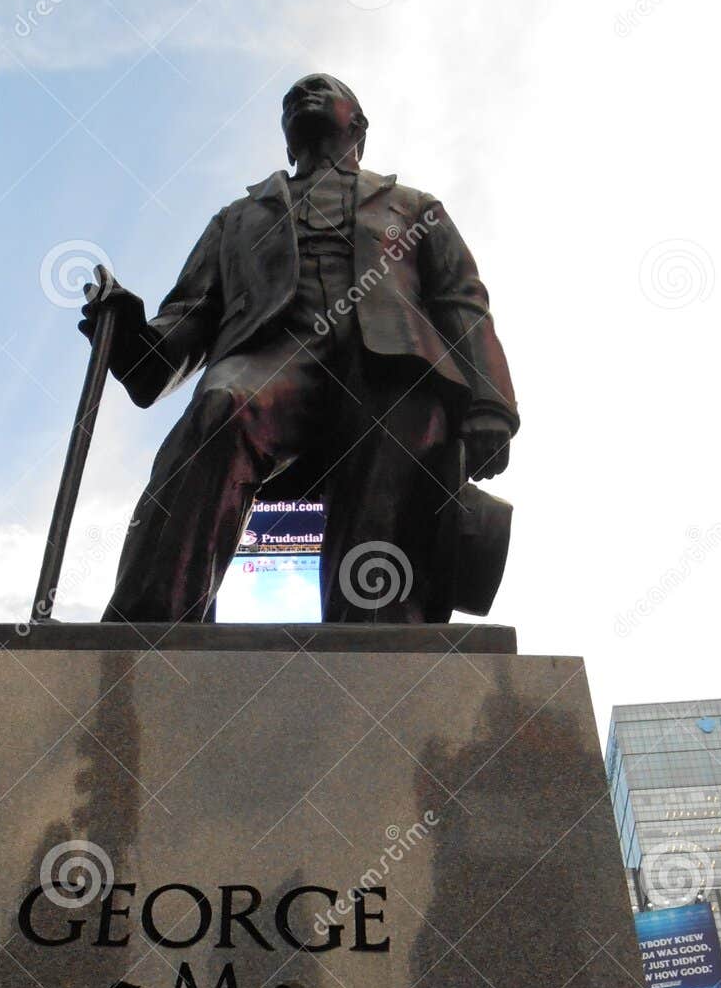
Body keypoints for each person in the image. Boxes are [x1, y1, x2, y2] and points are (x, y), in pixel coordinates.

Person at [82, 74, 518, 624]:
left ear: (358, 126)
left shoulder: (413, 206)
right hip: (275, 356)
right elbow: (192, 314)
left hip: (389, 362)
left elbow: (461, 300)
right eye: (292, 99)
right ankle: (153, 623)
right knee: (222, 404)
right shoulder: (240, 217)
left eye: (320, 90)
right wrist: (130, 338)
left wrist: (491, 403)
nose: (303, 96)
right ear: (287, 139)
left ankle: (373, 639)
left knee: (406, 419)